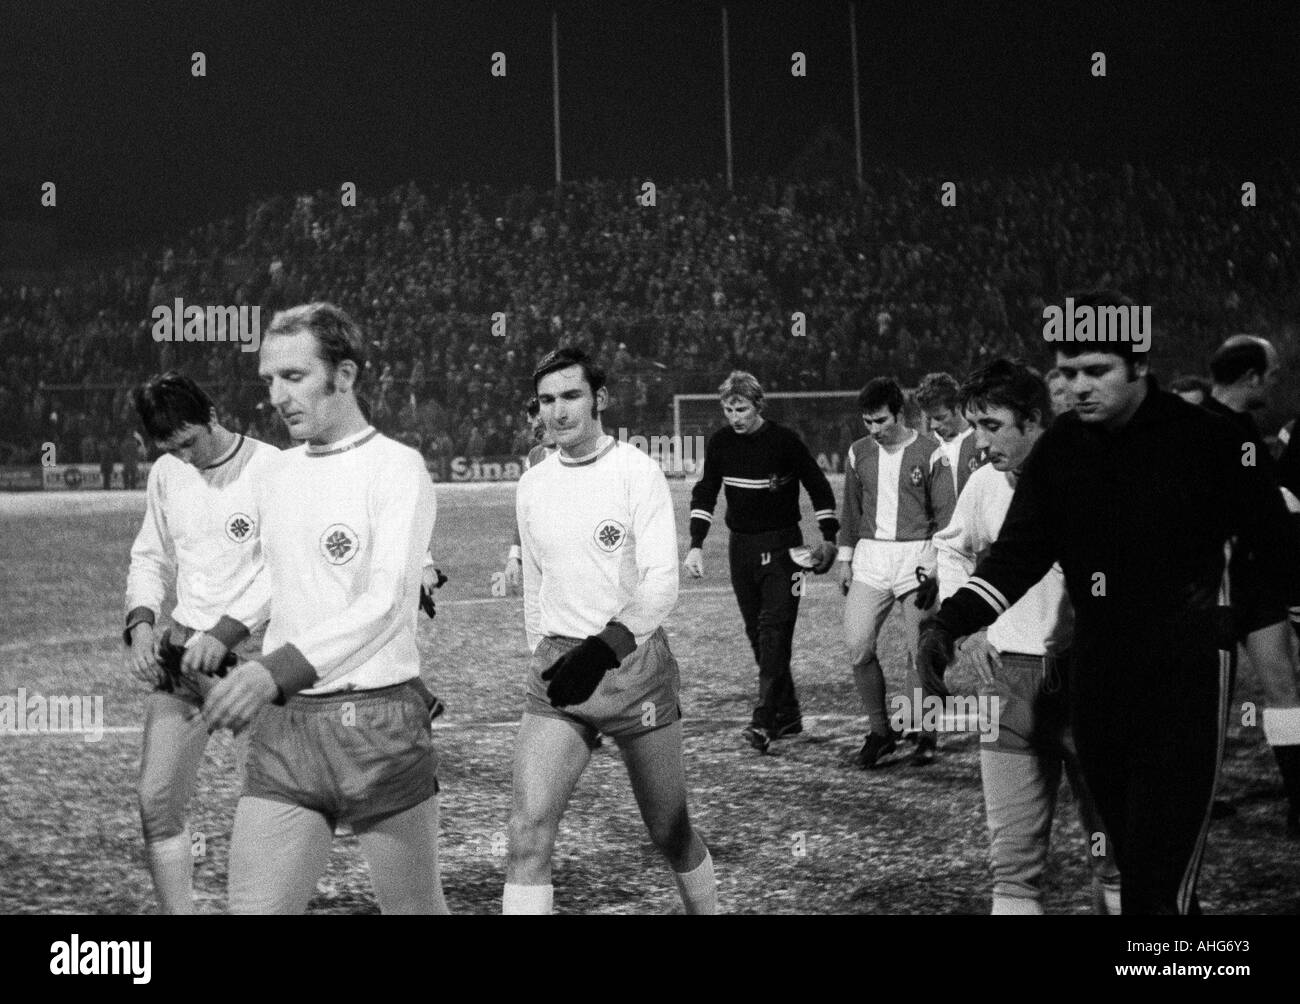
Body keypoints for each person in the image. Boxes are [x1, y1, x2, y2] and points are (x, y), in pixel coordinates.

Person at [918, 290, 1300, 913]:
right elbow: (1018, 555)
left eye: (1098, 370)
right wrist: (950, 623)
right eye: (1069, 372)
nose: (1081, 387)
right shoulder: (1063, 449)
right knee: (1138, 872)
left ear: (1139, 366)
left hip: (1182, 681)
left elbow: (1272, 547)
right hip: (1096, 682)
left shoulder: (1206, 440)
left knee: (1156, 884)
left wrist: (1230, 617)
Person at [202, 302, 449, 914]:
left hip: (378, 725)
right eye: (268, 381)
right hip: (288, 728)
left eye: (294, 377)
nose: (277, 397)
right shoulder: (276, 472)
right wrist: (226, 631)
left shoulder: (398, 467)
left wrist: (271, 669)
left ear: (344, 375)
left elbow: (386, 604)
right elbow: (278, 575)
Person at [505, 347, 715, 915]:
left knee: (670, 833)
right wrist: (542, 656)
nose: (557, 411)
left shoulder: (636, 472)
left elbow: (662, 584)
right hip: (559, 674)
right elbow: (536, 585)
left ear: (599, 399)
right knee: (527, 835)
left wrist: (604, 649)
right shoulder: (533, 483)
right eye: (547, 400)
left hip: (633, 668)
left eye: (570, 396)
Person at [933, 359, 1120, 914]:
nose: (980, 442)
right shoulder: (985, 484)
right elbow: (952, 546)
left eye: (991, 426)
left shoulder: (1096, 476)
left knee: (1117, 862)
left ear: (1034, 419)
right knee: (1012, 871)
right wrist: (963, 621)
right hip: (1012, 681)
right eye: (975, 428)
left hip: (1096, 680)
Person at [123, 371, 278, 913]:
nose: (185, 457)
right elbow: (150, 554)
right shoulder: (167, 472)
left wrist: (228, 631)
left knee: (269, 808)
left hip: (250, 662)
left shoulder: (270, 469)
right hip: (183, 654)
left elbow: (283, 570)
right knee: (155, 800)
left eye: (190, 441)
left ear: (211, 414)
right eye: (171, 448)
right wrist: (141, 623)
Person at [684, 371, 838, 754]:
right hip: (741, 550)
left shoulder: (785, 441)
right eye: (728, 409)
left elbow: (818, 485)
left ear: (758, 406)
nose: (734, 416)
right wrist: (696, 545)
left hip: (786, 547)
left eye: (742, 408)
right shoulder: (720, 443)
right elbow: (706, 491)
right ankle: (787, 714)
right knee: (758, 633)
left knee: (774, 631)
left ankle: (765, 720)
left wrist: (830, 537)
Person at [1202, 335, 1300, 836]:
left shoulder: (1243, 430)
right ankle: (1195, 796)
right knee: (1204, 700)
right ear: (1250, 378)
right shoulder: (1206, 432)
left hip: (1255, 581)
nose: (1277, 380)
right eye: (1273, 372)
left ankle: (1298, 801)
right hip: (1212, 586)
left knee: (1283, 686)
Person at [839, 376, 955, 768]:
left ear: (899, 414)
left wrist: (938, 568)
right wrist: (845, 560)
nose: (873, 430)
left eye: (881, 421)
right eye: (867, 422)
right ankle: (881, 732)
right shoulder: (859, 453)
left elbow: (946, 517)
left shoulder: (930, 451)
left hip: (916, 559)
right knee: (858, 646)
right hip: (871, 560)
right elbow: (851, 512)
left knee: (918, 650)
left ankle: (925, 732)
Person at [503, 397, 557, 592]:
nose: (532, 428)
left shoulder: (578, 454)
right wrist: (515, 555)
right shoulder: (534, 457)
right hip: (543, 556)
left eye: (534, 421)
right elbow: (525, 512)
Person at [916, 371, 983, 497]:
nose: (933, 426)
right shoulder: (924, 447)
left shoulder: (982, 441)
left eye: (940, 418)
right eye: (929, 419)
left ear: (957, 407)